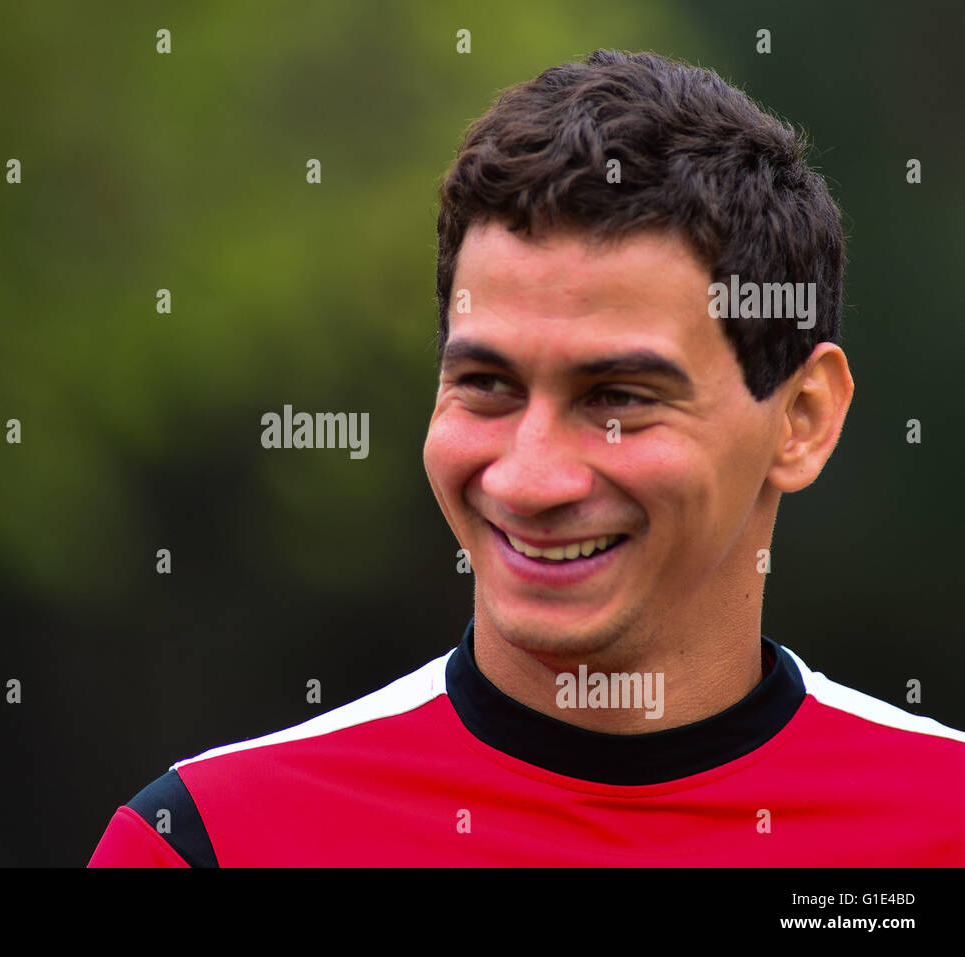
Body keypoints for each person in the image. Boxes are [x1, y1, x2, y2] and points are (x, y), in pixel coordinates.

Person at [88, 49, 965, 867]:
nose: (528, 477)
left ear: (801, 420)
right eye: (488, 384)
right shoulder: (218, 841)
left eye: (618, 397)